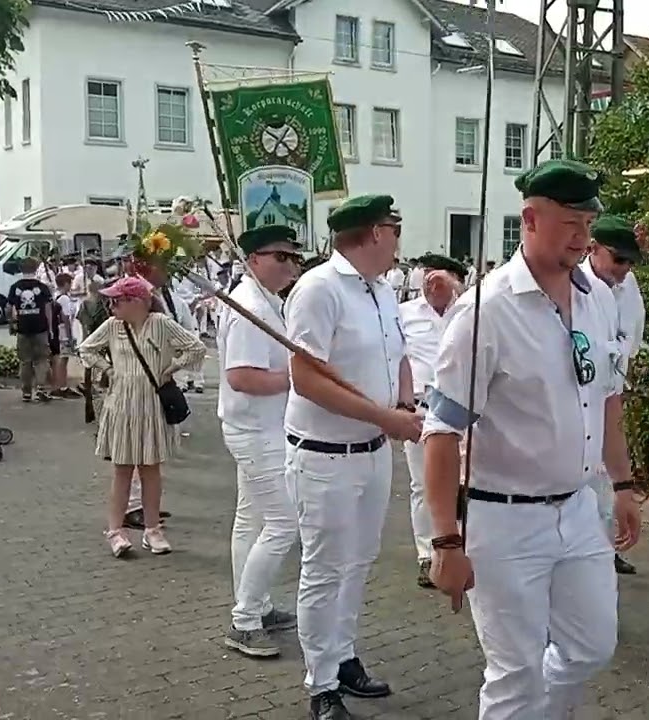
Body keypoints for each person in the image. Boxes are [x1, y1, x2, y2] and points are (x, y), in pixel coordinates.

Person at [423, 158, 642, 719]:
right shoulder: (486, 312)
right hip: (505, 519)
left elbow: (607, 396)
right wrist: (445, 541)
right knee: (514, 673)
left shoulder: (597, 298)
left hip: (577, 511)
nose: (582, 236)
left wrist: (623, 483)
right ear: (530, 219)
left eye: (588, 222)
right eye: (569, 222)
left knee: (592, 647)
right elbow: (442, 431)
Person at [284, 194, 421, 720]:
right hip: (324, 455)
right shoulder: (319, 289)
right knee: (324, 569)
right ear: (374, 233)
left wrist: (403, 404)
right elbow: (306, 378)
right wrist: (384, 418)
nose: (398, 240)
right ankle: (321, 684)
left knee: (358, 563)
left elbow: (400, 355)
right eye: (395, 229)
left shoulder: (382, 291)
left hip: (372, 451)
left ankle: (341, 656)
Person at [219, 225, 304, 659]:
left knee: (250, 521)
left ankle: (258, 606)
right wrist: (297, 378)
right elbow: (242, 376)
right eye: (280, 257)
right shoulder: (248, 306)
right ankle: (245, 619)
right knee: (284, 523)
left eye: (294, 257)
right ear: (254, 260)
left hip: (262, 426)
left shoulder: (269, 302)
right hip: (255, 429)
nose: (290, 265)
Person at [78, 276, 206, 558]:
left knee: (150, 470)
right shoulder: (113, 327)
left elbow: (196, 347)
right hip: (121, 405)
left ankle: (152, 529)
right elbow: (86, 348)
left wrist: (172, 368)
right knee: (122, 470)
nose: (111, 306)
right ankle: (115, 531)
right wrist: (107, 370)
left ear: (136, 302)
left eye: (117, 301)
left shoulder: (161, 323)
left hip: (151, 406)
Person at [578, 214, 646, 575]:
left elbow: (632, 333)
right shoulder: (578, 286)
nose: (624, 269)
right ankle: (597, 548)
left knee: (609, 479)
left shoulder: (627, 284)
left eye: (630, 261)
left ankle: (606, 547)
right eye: (618, 259)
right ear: (593, 249)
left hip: (612, 391)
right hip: (584, 400)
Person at [399, 252, 467, 589]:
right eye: (425, 277)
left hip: (464, 410)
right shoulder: (404, 315)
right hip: (422, 407)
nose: (431, 285)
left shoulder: (468, 310)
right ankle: (427, 553)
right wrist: (401, 403)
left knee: (465, 482)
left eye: (438, 278)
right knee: (422, 483)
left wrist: (458, 288)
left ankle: (461, 545)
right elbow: (396, 357)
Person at [7, 257, 55, 403]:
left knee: (25, 361)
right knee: (41, 359)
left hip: (23, 328)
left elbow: (9, 308)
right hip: (40, 328)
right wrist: (50, 327)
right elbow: (48, 309)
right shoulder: (42, 287)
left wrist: (11, 322)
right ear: (36, 268)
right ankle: (41, 387)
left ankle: (26, 391)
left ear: (21, 269)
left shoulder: (15, 287)